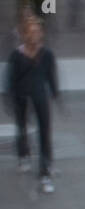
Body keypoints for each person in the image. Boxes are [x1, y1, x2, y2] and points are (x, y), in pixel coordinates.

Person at [6, 14, 61, 193]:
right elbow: (11, 80)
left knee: (44, 132)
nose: (34, 36)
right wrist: (9, 98)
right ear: (23, 35)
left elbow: (51, 77)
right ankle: (23, 153)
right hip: (21, 96)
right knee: (22, 127)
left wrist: (55, 95)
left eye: (37, 32)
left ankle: (45, 172)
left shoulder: (47, 54)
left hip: (40, 97)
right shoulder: (16, 56)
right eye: (30, 32)